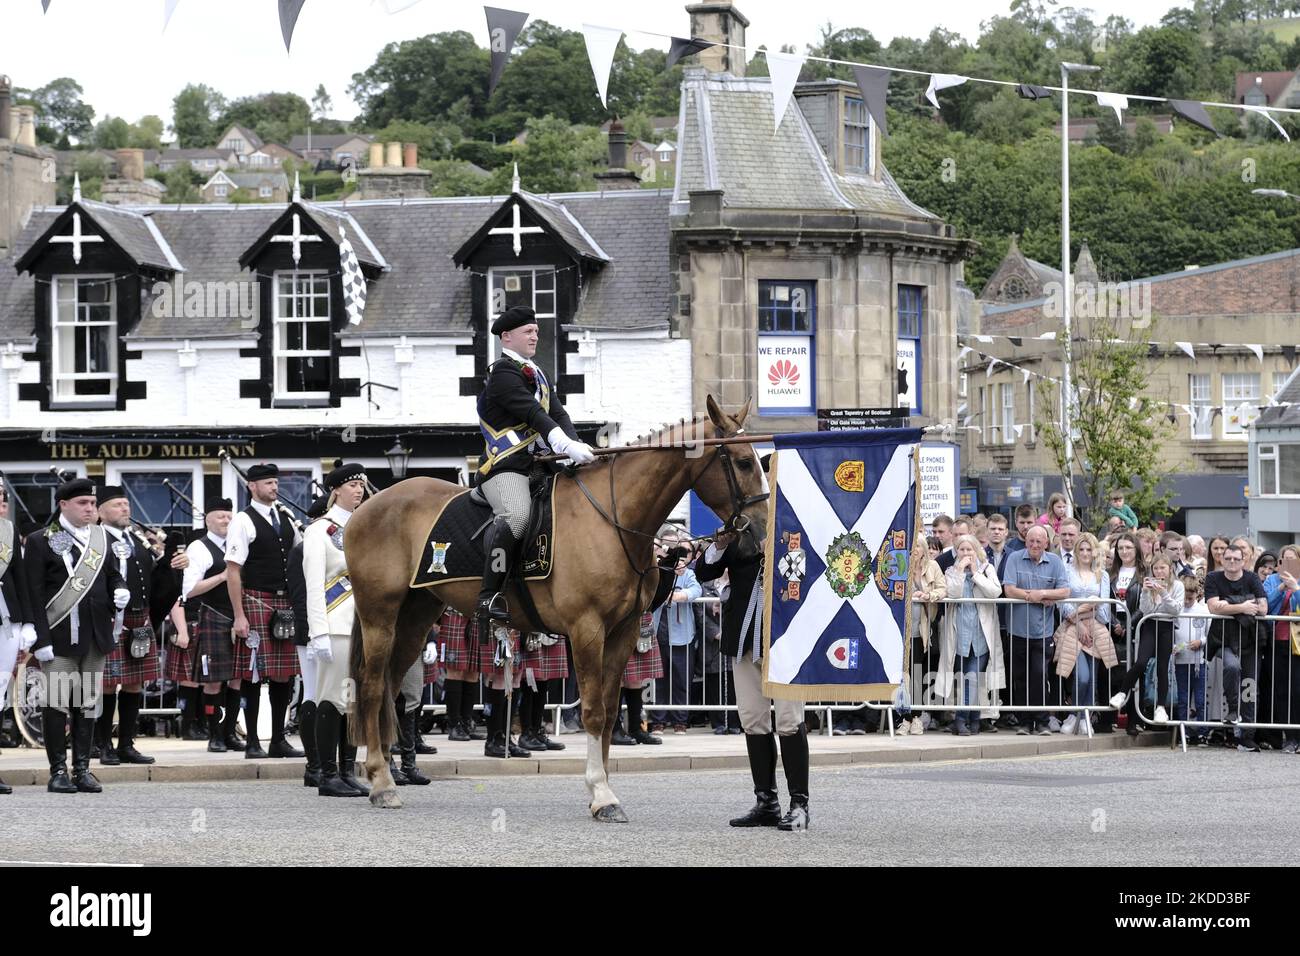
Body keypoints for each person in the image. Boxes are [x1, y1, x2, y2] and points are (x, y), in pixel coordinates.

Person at [475, 305, 594, 631]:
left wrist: (574, 446)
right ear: (506, 336)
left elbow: (558, 414)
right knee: (517, 515)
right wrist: (564, 445)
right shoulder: (501, 372)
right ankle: (489, 596)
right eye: (528, 332)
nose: (535, 337)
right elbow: (532, 413)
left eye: (536, 332)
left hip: (540, 467)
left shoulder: (537, 374)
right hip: (506, 467)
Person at [697, 523, 809, 831]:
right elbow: (704, 573)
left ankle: (799, 804)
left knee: (788, 722)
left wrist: (776, 551)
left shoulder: (796, 524)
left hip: (785, 641)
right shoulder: (739, 532)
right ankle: (766, 802)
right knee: (753, 721)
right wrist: (719, 544)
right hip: (744, 640)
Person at [26, 478, 130, 793]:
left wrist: (119, 588)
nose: (90, 509)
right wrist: (39, 639)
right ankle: (57, 771)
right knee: (57, 704)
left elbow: (112, 574)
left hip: (94, 636)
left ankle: (82, 769)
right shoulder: (41, 539)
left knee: (86, 705)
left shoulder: (101, 538)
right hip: (57, 638)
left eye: (92, 503)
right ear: (63, 505)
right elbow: (33, 593)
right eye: (83, 503)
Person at [95, 486, 186, 766]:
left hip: (139, 619)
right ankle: (103, 745)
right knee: (108, 685)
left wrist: (173, 559)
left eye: (126, 504)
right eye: (117, 505)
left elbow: (154, 578)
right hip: (110, 621)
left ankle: (126, 744)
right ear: (100, 512)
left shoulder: (136, 541)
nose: (125, 509)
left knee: (134, 684)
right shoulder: (95, 541)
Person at [225, 463, 303, 760]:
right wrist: (239, 615)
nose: (274, 487)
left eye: (275, 482)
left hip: (284, 604)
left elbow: (300, 554)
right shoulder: (242, 521)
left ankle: (278, 739)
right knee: (253, 674)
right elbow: (233, 571)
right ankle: (253, 740)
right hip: (256, 601)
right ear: (252, 487)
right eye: (267, 483)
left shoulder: (285, 518)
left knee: (284, 674)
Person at [302, 462, 370, 796]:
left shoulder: (366, 526)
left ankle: (346, 771)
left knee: (353, 701)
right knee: (331, 699)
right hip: (335, 624)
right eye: (353, 484)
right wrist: (319, 633)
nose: (359, 490)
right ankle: (327, 774)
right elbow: (314, 584)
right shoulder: (320, 531)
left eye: (362, 484)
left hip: (362, 624)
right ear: (336, 490)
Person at [180, 498, 242, 753]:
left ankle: (230, 734)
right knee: (213, 681)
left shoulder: (238, 545)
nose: (226, 521)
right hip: (213, 615)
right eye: (220, 516)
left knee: (238, 678)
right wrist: (222, 576)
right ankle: (214, 735)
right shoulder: (199, 548)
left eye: (229, 516)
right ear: (207, 519)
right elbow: (189, 590)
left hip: (240, 616)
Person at [1000, 524, 1070, 736]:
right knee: (1020, 677)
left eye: (1039, 541)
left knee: (1039, 676)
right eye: (1031, 541)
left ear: (1046, 543)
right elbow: (1009, 589)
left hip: (1043, 632)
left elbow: (1065, 590)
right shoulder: (1014, 559)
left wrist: (1045, 593)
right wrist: (1034, 597)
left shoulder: (1055, 562)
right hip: (1017, 631)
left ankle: (1041, 721)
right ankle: (1024, 722)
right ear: (1025, 541)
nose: (1034, 545)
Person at [936, 535, 1004, 735]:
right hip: (959, 634)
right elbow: (954, 594)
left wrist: (975, 574)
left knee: (973, 677)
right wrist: (959, 571)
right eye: (962, 550)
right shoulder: (951, 571)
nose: (966, 553)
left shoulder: (987, 569)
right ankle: (974, 720)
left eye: (970, 550)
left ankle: (959, 719)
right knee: (965, 678)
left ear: (976, 551)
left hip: (981, 634)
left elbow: (995, 592)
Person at [1204, 544, 1268, 752]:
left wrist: (1228, 605)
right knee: (1231, 666)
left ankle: (1247, 735)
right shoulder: (1214, 578)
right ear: (1222, 560)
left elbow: (1263, 609)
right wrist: (1242, 606)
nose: (1232, 562)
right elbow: (1213, 606)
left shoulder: (1252, 578)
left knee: (1250, 686)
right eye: (1228, 558)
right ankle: (1233, 710)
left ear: (1244, 561)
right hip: (1223, 639)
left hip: (1250, 641)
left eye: (1236, 559)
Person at [1110, 554, 1183, 732]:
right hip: (1149, 625)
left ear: (1170, 569)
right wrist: (1145, 591)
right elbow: (1145, 609)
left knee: (1162, 667)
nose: (1159, 572)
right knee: (1141, 662)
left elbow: (1175, 610)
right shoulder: (1148, 584)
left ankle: (1160, 707)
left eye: (1162, 568)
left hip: (1166, 627)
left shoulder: (1177, 585)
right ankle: (1122, 693)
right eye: (1156, 568)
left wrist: (1163, 592)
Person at [1053, 534, 1118, 734]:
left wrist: (1090, 608)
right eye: (1081, 549)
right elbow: (1062, 604)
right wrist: (1080, 616)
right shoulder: (1066, 571)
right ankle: (1074, 713)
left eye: (1089, 549)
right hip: (1072, 627)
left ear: (1095, 551)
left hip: (1096, 628)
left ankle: (1084, 717)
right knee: (1081, 676)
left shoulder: (1102, 575)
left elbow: (1105, 610)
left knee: (1091, 678)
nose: (1085, 553)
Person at [287, 493, 328, 787]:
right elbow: (301, 597)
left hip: (333, 628)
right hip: (312, 631)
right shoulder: (303, 549)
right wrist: (313, 633)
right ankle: (313, 765)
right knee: (313, 694)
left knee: (333, 696)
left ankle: (328, 761)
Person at [650, 526, 701, 734]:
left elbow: (697, 589)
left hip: (682, 632)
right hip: (658, 630)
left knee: (681, 678)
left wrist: (682, 595)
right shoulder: (655, 570)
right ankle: (658, 720)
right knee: (658, 679)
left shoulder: (686, 572)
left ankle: (681, 719)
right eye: (666, 547)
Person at [0, 507, 34, 795]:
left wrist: (27, 623)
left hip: (6, 624)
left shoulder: (7, 532)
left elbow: (20, 579)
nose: (2, 505)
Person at [899, 531, 946, 736]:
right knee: (903, 676)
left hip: (921, 630)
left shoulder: (932, 566)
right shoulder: (900, 564)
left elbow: (943, 589)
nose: (914, 550)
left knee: (916, 674)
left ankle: (915, 717)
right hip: (901, 629)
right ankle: (903, 718)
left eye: (918, 546)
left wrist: (928, 595)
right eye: (911, 546)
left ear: (924, 550)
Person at [1262, 544, 1300, 752]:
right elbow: (1266, 606)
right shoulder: (1272, 580)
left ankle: (1297, 736)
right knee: (1280, 690)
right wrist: (1280, 588)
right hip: (1278, 640)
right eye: (1283, 560)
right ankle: (1286, 737)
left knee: (1297, 689)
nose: (1287, 564)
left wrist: (1295, 588)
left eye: (1293, 560)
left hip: (1298, 643)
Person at [1172, 574, 1210, 745]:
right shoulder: (1176, 610)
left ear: (1197, 594)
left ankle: (1202, 732)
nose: (1187, 601)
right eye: (1184, 597)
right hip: (1180, 661)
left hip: (1198, 661)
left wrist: (1201, 641)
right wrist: (1174, 647)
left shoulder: (1203, 610)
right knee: (1183, 699)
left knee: (1200, 699)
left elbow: (1209, 635)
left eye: (1190, 597)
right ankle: (1184, 731)